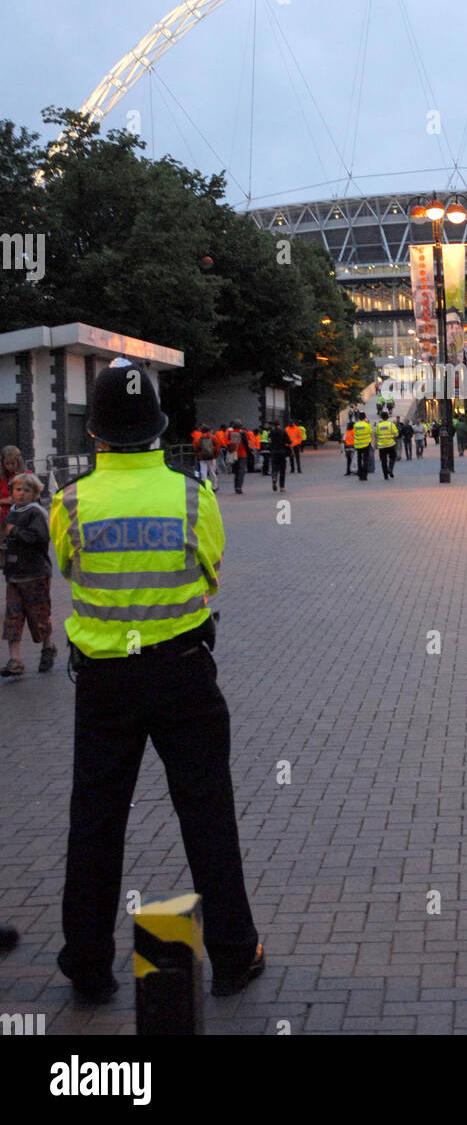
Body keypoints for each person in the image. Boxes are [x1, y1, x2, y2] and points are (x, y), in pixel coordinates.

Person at [49, 357, 262, 1003]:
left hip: (104, 685)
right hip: (184, 675)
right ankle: (231, 956)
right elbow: (210, 573)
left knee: (96, 820)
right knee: (207, 814)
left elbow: (69, 570)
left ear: (97, 434)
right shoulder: (194, 498)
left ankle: (88, 963)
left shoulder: (71, 503)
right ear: (160, 427)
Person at [1, 471, 56, 677]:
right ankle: (15, 660)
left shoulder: (36, 513)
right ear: (12, 492)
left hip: (35, 574)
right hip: (14, 575)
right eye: (18, 489)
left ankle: (48, 648)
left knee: (38, 616)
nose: (21, 493)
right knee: (13, 618)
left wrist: (14, 532)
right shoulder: (12, 512)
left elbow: (39, 538)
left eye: (27, 490)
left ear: (35, 493)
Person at [0, 445, 26, 528]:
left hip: (23, 519)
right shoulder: (2, 478)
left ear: (19, 462)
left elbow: (35, 497)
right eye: (7, 464)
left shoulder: (27, 475)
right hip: (5, 520)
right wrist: (5, 501)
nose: (10, 466)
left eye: (13, 463)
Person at [226, 421, 249, 494]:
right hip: (242, 453)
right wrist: (248, 451)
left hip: (234, 453)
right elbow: (246, 443)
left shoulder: (230, 433)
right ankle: (239, 487)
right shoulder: (242, 433)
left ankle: (236, 486)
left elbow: (228, 442)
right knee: (241, 471)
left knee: (236, 470)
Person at [196, 425, 219, 492]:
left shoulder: (199, 438)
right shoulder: (213, 437)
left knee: (203, 472)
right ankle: (214, 487)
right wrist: (215, 456)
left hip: (202, 458)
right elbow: (217, 448)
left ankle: (204, 487)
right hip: (212, 457)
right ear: (209, 430)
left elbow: (196, 448)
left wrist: (199, 454)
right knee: (212, 472)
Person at [376, 412, 397, 479]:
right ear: (387, 417)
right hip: (390, 444)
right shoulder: (391, 425)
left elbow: (377, 435)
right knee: (393, 457)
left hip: (382, 446)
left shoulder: (378, 425)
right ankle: (390, 468)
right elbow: (396, 434)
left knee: (383, 461)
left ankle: (385, 476)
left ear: (381, 417)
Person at [270, 422, 290, 491]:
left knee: (274, 468)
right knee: (282, 470)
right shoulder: (283, 431)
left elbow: (269, 441)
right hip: (282, 452)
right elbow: (288, 441)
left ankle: (274, 478)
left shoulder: (271, 432)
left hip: (274, 452)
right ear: (279, 425)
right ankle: (282, 487)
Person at [354, 414, 372, 481]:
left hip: (358, 445)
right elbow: (370, 432)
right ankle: (364, 476)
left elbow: (355, 432)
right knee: (365, 460)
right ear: (365, 417)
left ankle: (360, 475)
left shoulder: (356, 425)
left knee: (359, 460)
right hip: (366, 445)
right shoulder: (367, 425)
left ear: (359, 417)